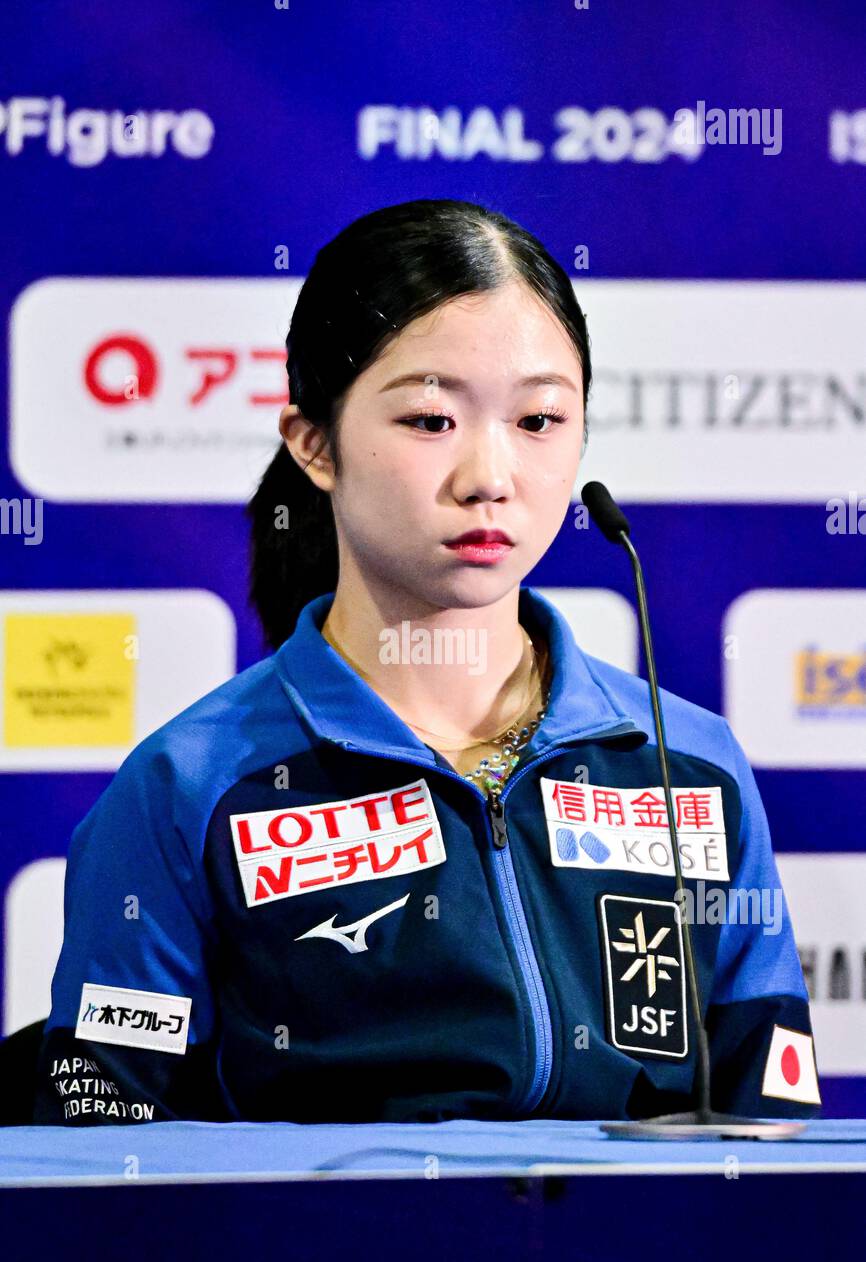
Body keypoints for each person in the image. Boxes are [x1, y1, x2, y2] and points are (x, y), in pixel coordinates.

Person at [32, 198, 821, 1126]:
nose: (491, 475)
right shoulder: (188, 785)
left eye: (537, 420)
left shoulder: (690, 762)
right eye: (431, 420)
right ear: (314, 444)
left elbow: (768, 1126)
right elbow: (102, 1158)